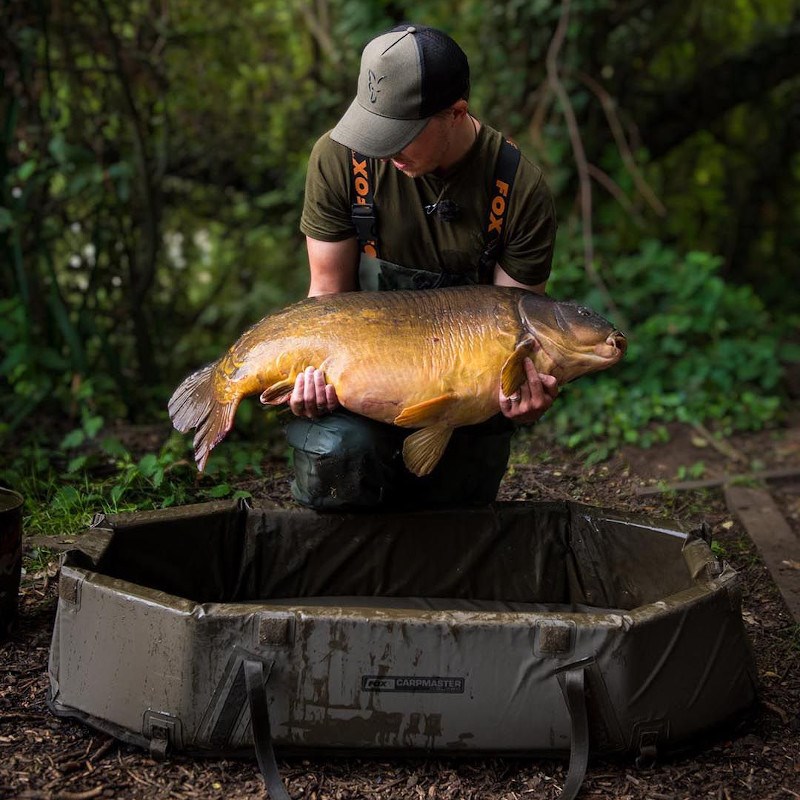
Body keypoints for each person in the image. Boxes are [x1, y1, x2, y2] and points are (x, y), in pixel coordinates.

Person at [285, 23, 559, 510]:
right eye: (374, 128)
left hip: (461, 402)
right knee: (338, 464)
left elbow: (522, 336)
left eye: (400, 135)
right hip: (361, 388)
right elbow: (325, 298)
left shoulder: (519, 189)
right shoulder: (338, 159)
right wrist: (310, 377)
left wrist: (524, 399)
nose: (384, 150)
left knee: (452, 513)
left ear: (456, 113)